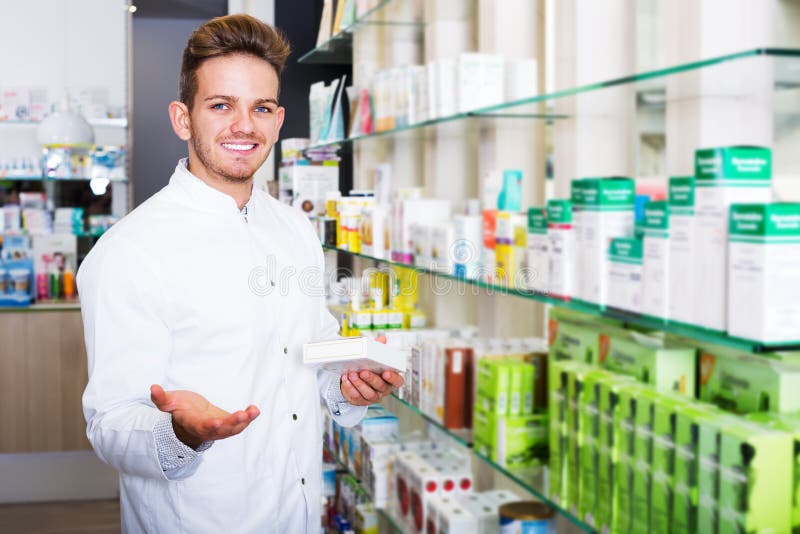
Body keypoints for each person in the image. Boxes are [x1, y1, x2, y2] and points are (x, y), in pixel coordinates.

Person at [78, 14, 403, 533]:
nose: (244, 125)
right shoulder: (129, 253)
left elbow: (311, 349)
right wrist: (180, 433)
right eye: (221, 105)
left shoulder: (295, 229)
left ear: (278, 120)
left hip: (297, 515)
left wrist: (346, 385)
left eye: (261, 108)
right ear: (183, 119)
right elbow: (111, 422)